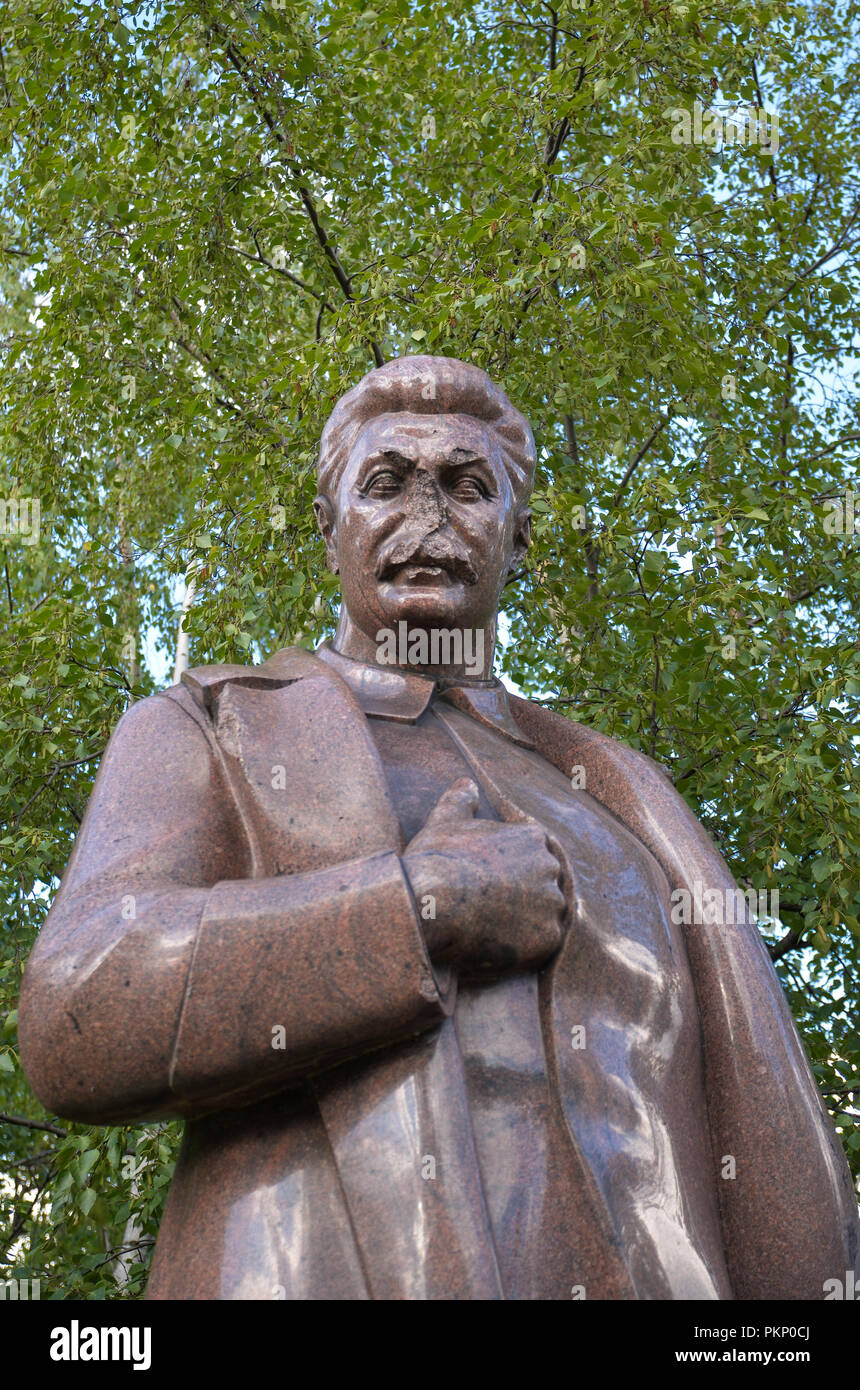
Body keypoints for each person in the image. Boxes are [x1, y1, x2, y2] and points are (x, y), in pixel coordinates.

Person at [19, 355, 859, 1299]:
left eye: (467, 486)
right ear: (330, 527)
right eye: (386, 485)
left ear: (519, 535)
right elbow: (75, 1010)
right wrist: (416, 909)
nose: (428, 517)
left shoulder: (624, 796)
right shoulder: (211, 729)